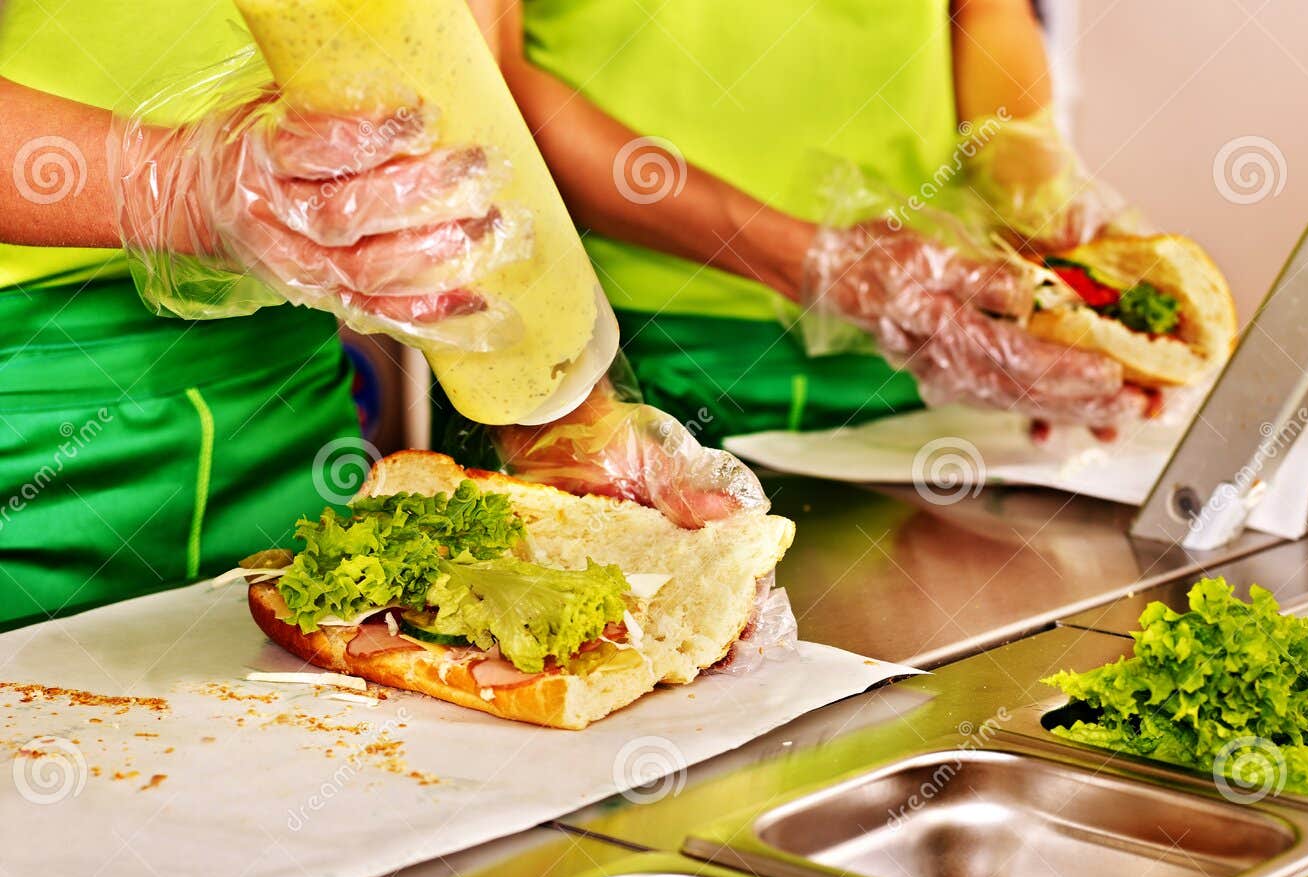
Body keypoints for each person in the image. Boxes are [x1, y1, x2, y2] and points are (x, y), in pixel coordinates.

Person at [0, 1, 509, 630]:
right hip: (27, 415)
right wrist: (182, 186)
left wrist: (552, 400)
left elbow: (455, 76)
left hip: (289, 394)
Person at [490, 0, 1144, 442]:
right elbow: (488, 70)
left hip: (922, 357)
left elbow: (986, 13)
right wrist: (815, 261)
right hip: (627, 357)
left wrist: (1034, 202)